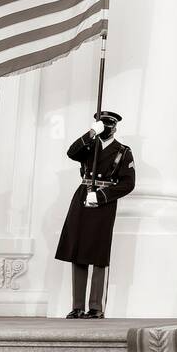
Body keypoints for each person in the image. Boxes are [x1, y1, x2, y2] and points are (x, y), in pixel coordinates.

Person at [55, 110, 135, 319]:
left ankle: (96, 307)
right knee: (78, 250)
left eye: (109, 124)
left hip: (103, 203)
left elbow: (128, 183)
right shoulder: (89, 145)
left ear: (115, 127)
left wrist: (101, 196)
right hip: (82, 198)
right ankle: (78, 306)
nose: (106, 128)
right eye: (102, 124)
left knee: (98, 254)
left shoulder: (123, 151)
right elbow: (71, 153)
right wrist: (91, 133)